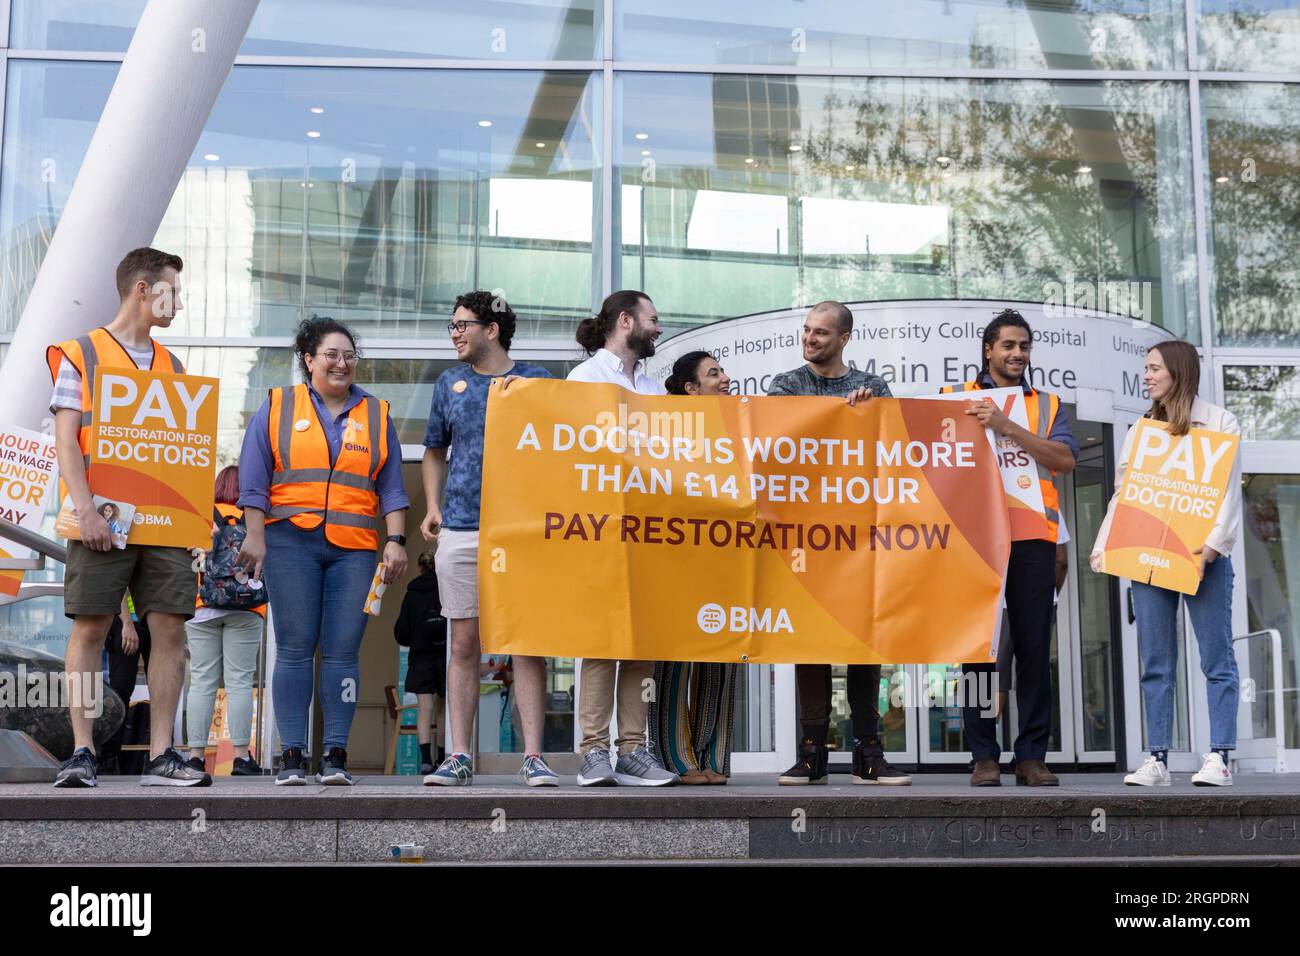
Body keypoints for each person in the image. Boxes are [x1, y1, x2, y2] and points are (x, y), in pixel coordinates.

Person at [48, 247, 211, 787]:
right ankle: (82, 752)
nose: (178, 303)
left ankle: (162, 754)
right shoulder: (84, 353)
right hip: (103, 520)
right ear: (143, 289)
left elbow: (180, 453)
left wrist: (195, 526)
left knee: (170, 629)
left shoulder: (173, 368)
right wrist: (86, 508)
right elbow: (67, 438)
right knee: (92, 627)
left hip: (164, 526)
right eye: (172, 290)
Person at [236, 315, 410, 786]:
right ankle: (292, 753)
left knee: (342, 651)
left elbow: (392, 488)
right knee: (293, 649)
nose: (341, 363)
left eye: (349, 356)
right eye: (331, 355)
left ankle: (335, 753)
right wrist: (255, 534)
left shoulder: (376, 413)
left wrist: (395, 540)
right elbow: (253, 480)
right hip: (291, 541)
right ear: (308, 360)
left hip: (354, 548)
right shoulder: (276, 407)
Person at [768, 300, 911, 786]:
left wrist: (868, 416)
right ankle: (811, 753)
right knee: (809, 641)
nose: (810, 339)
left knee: (863, 641)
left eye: (821, 333)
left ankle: (869, 752)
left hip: (859, 537)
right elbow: (778, 442)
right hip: (804, 536)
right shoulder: (784, 385)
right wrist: (837, 417)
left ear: (845, 338)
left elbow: (894, 449)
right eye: (807, 330)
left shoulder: (873, 388)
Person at [419, 292, 558, 787]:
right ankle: (459, 756)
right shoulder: (447, 383)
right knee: (463, 641)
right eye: (451, 325)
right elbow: (434, 450)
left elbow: (563, 453)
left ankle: (534, 756)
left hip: (521, 529)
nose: (454, 333)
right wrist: (433, 506)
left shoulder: (539, 381)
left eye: (462, 325)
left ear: (492, 329)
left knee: (526, 643)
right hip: (460, 525)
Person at [1091, 339, 1241, 788]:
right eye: (1146, 368)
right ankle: (1156, 758)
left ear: (1178, 371)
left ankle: (1220, 757)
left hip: (1204, 559)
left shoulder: (1219, 421)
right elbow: (1127, 493)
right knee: (1156, 660)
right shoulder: (1141, 430)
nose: (1147, 375)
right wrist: (1108, 543)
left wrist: (1210, 548)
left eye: (1155, 368)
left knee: (1217, 659)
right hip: (1150, 557)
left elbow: (1227, 492)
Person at [942, 308, 1078, 787]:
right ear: (988, 350)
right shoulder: (953, 398)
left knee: (1034, 649)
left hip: (1032, 539)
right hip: (974, 540)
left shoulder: (1047, 403)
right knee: (979, 650)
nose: (1017, 354)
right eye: (1008, 346)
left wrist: (1006, 425)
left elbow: (1064, 459)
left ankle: (1031, 756)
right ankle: (984, 756)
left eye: (1023, 346)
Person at [567, 290, 679, 787]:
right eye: (653, 320)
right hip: (599, 532)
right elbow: (571, 454)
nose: (658, 328)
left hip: (650, 535)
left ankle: (633, 750)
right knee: (600, 640)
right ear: (627, 321)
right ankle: (593, 752)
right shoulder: (583, 379)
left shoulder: (655, 391)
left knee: (643, 641)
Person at [648, 351, 738, 785]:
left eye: (722, 372)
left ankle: (714, 757)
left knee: (724, 653)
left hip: (728, 555)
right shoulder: (667, 426)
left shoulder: (743, 426)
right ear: (690, 389)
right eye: (714, 373)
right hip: (677, 557)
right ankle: (675, 757)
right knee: (675, 658)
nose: (725, 380)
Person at [185, 465, 266, 777]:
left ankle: (194, 756)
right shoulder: (255, 518)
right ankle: (242, 757)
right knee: (240, 681)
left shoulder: (202, 514)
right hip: (247, 608)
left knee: (202, 680)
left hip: (202, 605)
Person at [393, 549, 446, 775]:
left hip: (421, 658)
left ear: (420, 567)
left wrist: (416, 637)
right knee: (444, 710)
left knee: (425, 708)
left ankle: (426, 760)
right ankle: (443, 759)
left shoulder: (412, 593)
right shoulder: (446, 588)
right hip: (445, 656)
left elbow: (401, 632)